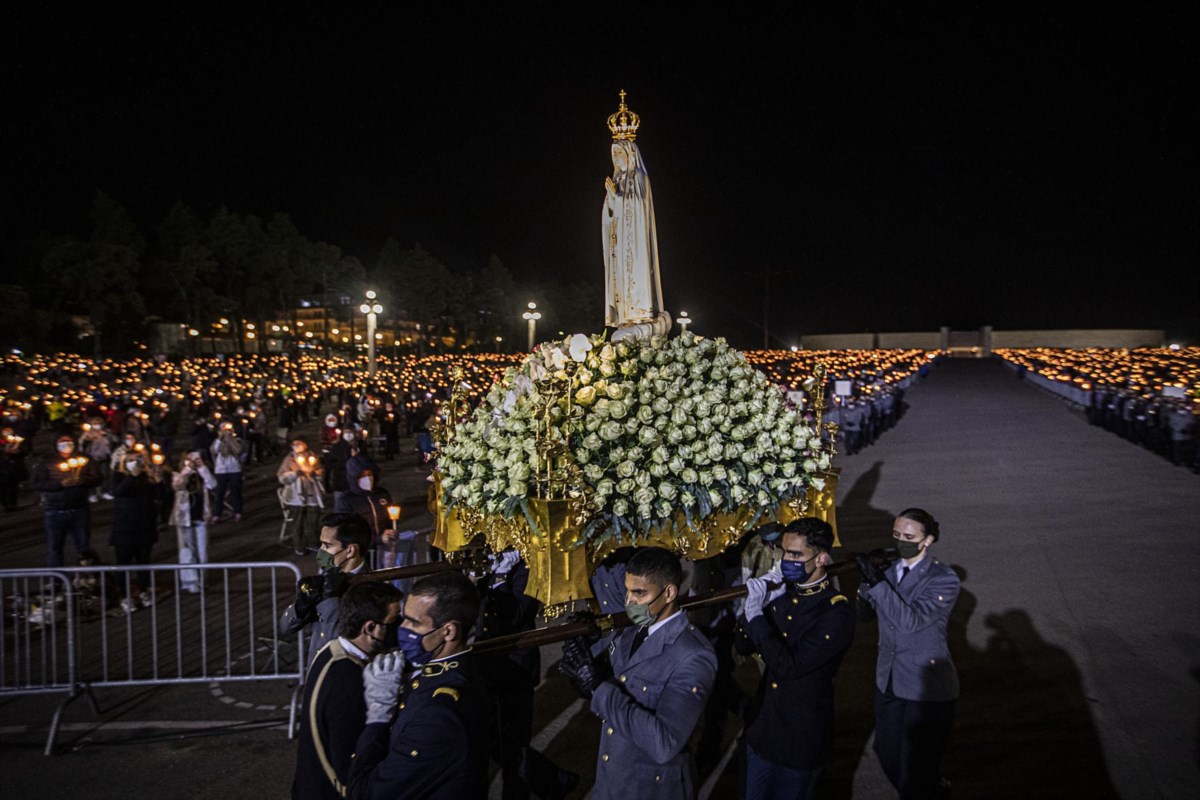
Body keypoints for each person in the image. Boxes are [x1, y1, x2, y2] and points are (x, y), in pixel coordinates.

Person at [560, 546, 717, 799]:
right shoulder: (632, 631)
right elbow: (605, 689)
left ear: (669, 592)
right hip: (614, 777)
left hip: (651, 787)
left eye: (639, 593)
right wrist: (583, 656)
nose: (629, 603)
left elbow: (664, 743)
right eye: (628, 592)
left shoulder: (693, 655)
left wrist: (597, 686)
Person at [734, 517, 855, 800]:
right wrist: (756, 605)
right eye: (785, 553)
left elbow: (788, 666)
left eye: (796, 555)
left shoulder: (835, 613)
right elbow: (742, 644)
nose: (786, 561)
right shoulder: (784, 595)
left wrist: (756, 616)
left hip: (799, 738)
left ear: (822, 557)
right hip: (763, 730)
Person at [348, 570, 490, 799]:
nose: (403, 629)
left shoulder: (439, 714)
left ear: (448, 631)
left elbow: (366, 794)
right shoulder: (444, 669)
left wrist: (378, 715)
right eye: (404, 617)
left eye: (414, 622)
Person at [857, 508, 959, 800]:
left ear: (927, 540)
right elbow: (864, 614)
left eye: (909, 537)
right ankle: (933, 790)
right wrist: (866, 579)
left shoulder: (943, 579)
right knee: (886, 752)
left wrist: (876, 581)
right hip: (888, 679)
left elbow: (909, 622)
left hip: (926, 687)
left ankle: (927, 789)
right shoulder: (888, 572)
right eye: (897, 535)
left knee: (915, 770)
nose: (901, 542)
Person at [293, 581, 403, 800]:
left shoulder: (332, 651)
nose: (402, 627)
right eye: (395, 621)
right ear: (370, 628)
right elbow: (352, 767)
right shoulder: (349, 679)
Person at [280, 513, 373, 668]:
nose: (320, 551)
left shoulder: (370, 590)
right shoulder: (326, 578)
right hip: (317, 674)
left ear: (350, 550)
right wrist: (301, 607)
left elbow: (335, 643)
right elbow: (286, 627)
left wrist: (330, 599)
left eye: (327, 546)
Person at [31, 434, 103, 567]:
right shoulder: (46, 460)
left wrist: (83, 481)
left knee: (83, 548)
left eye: (69, 441)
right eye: (62, 441)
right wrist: (60, 484)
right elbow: (37, 483)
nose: (66, 444)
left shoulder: (84, 459)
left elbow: (98, 478)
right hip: (54, 510)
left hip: (79, 508)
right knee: (54, 548)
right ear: (56, 443)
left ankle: (86, 580)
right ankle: (56, 580)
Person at [110, 448, 163, 611]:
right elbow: (118, 492)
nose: (134, 463)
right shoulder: (118, 476)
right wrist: (131, 477)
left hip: (144, 526)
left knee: (143, 562)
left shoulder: (146, 478)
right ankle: (125, 596)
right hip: (125, 528)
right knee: (123, 563)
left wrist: (158, 481)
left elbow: (160, 497)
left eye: (137, 460)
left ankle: (143, 591)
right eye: (130, 460)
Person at [170, 450, 216, 593]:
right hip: (185, 518)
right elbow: (177, 486)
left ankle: (202, 580)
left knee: (202, 552)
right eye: (191, 457)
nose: (194, 460)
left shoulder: (201, 475)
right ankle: (190, 582)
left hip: (201, 517)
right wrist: (187, 469)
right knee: (188, 551)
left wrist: (202, 468)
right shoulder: (179, 473)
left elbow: (213, 484)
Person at [278, 436, 325, 555]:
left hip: (312, 495)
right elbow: (282, 477)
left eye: (299, 443)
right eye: (294, 443)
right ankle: (299, 546)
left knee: (313, 521)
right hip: (295, 497)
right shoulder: (289, 459)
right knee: (298, 523)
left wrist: (316, 474)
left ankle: (313, 543)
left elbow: (321, 471)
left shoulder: (312, 457)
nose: (297, 445)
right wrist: (294, 474)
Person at [211, 421, 244, 523]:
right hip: (221, 470)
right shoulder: (217, 441)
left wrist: (230, 439)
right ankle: (217, 513)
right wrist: (220, 439)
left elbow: (238, 450)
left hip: (234, 468)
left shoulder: (236, 440)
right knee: (219, 492)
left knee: (236, 491)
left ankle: (238, 512)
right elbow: (214, 451)